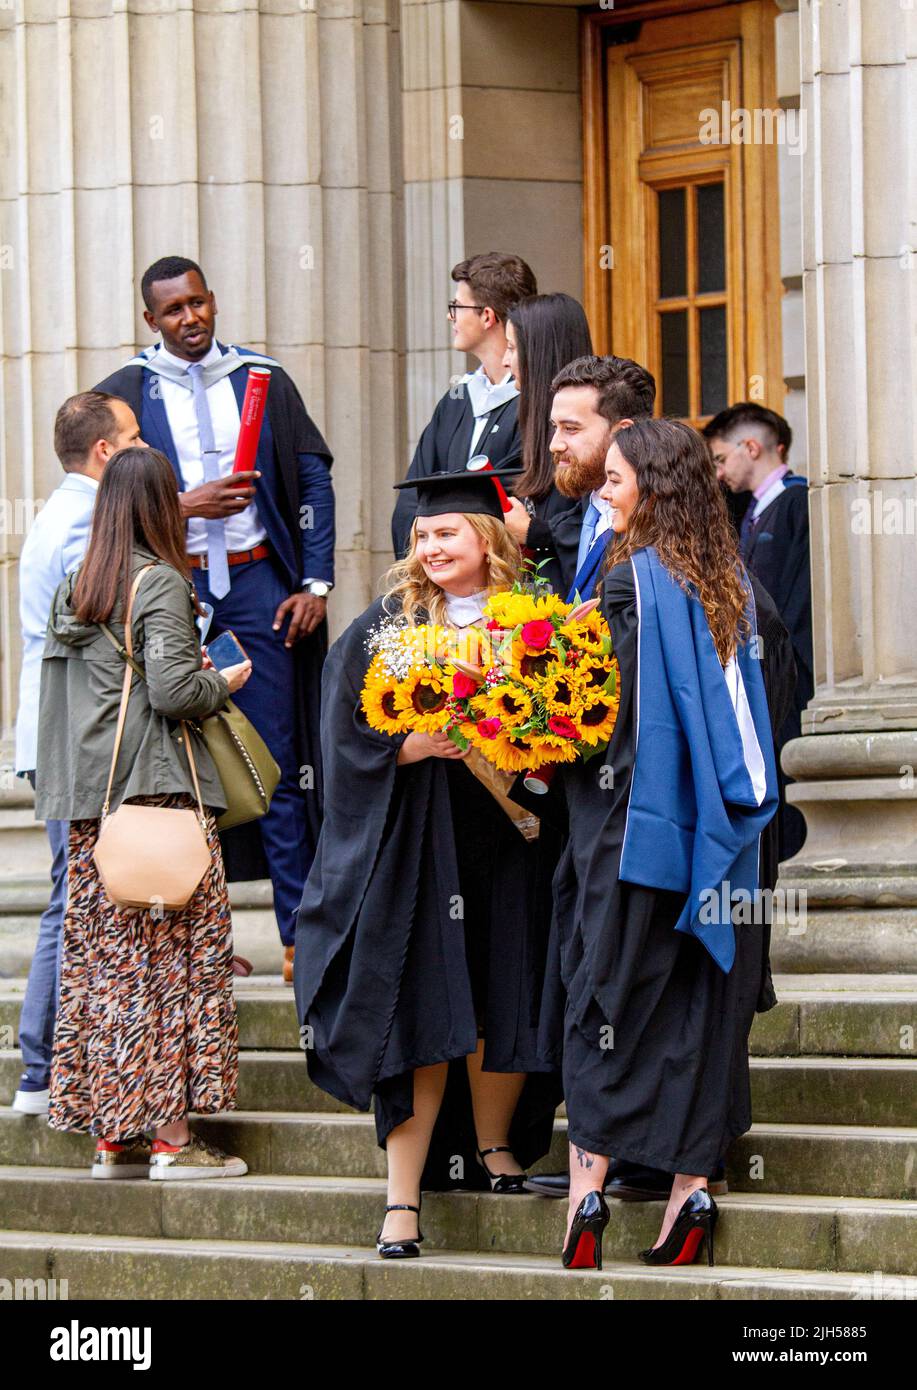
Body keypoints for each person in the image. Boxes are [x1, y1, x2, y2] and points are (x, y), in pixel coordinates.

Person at [295, 469, 562, 1257]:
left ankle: (494, 1148)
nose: (431, 546)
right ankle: (401, 1201)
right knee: (421, 1011)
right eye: (422, 535)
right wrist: (402, 747)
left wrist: (535, 746)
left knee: (499, 991)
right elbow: (341, 729)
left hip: (511, 837)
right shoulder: (390, 625)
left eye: (447, 532)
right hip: (421, 842)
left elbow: (575, 724)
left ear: (488, 539)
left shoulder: (535, 622)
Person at [555, 419, 779, 1270]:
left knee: (605, 999)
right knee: (699, 1013)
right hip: (725, 842)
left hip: (630, 837)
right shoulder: (737, 588)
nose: (601, 492)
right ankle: (689, 1199)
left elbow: (595, 731)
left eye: (614, 479)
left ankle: (587, 1194)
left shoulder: (625, 587)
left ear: (652, 486)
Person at [94, 255, 335, 981]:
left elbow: (313, 474)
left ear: (213, 300)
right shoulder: (124, 395)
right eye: (172, 311)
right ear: (150, 321)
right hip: (173, 592)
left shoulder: (263, 379)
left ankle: (299, 937)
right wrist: (183, 507)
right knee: (183, 769)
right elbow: (105, 500)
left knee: (278, 761)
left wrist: (314, 581)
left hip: (261, 584)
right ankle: (205, 943)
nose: (189, 319)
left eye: (197, 304)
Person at [36, 447, 252, 1179]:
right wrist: (221, 679)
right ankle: (172, 1141)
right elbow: (171, 694)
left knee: (111, 973)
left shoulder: (77, 588)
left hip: (93, 810)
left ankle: (115, 1137)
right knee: (169, 970)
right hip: (157, 796)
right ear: (163, 507)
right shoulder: (157, 582)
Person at [12, 392, 147, 1117]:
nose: (140, 444)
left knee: (75, 896)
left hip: (59, 734)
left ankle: (49, 1065)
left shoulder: (65, 512)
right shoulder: (83, 521)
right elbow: (99, 629)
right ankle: (39, 1066)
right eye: (130, 436)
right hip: (71, 738)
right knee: (74, 899)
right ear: (103, 452)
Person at [705, 403, 811, 862]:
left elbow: (799, 602)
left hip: (788, 680)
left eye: (721, 459)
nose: (719, 473)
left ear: (751, 446)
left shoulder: (797, 503)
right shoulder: (750, 515)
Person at [390, 252, 537, 559]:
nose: (450, 316)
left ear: (486, 316)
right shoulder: (458, 399)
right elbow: (413, 492)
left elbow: (507, 496)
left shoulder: (537, 405)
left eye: (456, 306)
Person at [505, 355, 656, 600]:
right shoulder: (578, 514)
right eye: (555, 427)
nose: (554, 445)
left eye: (571, 429)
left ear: (623, 431)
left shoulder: (662, 523)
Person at [499, 293, 594, 591]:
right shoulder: (529, 426)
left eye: (512, 348)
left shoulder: (594, 442)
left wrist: (534, 532)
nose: (505, 361)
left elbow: (596, 531)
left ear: (537, 354)